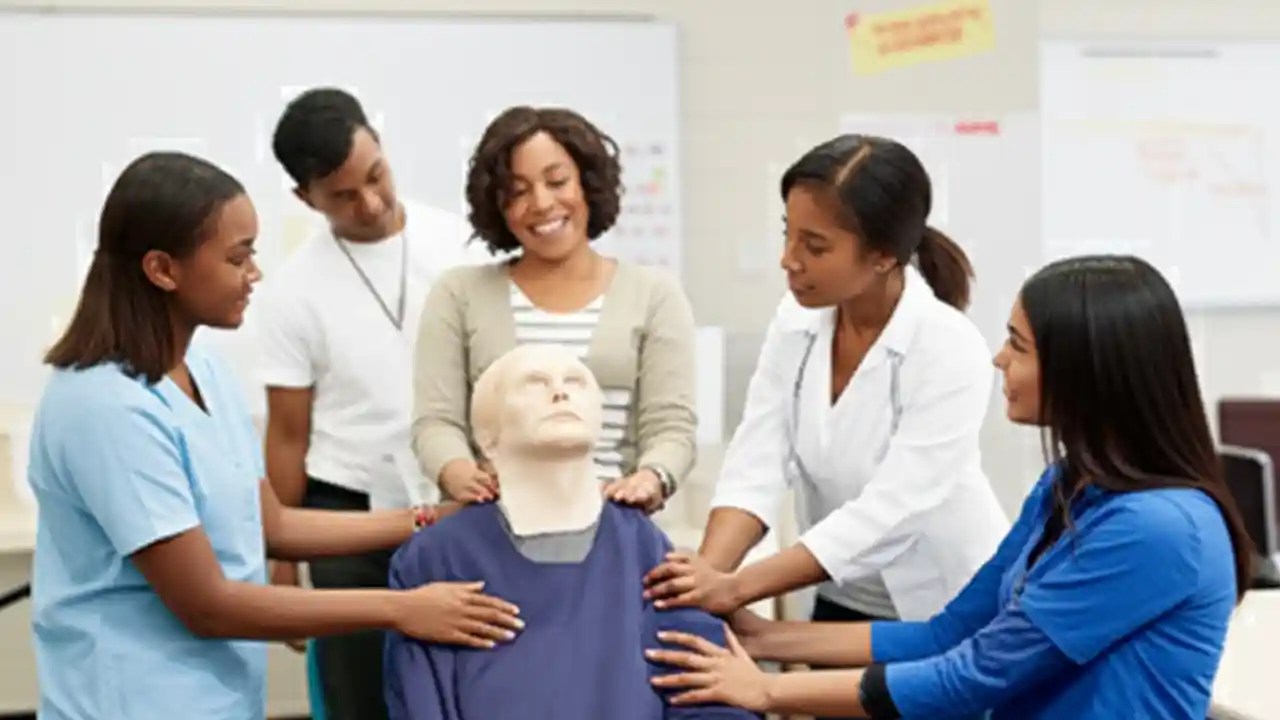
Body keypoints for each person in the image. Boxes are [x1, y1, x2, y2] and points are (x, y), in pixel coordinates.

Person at [645, 254, 1252, 719]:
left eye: (1018, 345)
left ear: (1084, 371)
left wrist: (768, 687)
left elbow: (976, 672)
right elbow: (952, 631)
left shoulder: (1158, 528)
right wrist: (765, 635)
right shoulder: (1070, 485)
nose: (997, 361)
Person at [26, 151, 521, 720]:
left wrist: (431, 517)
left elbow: (271, 525)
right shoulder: (103, 406)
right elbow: (207, 606)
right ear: (163, 270)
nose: (254, 274)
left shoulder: (202, 369)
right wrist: (401, 609)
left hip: (217, 700)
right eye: (238, 259)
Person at [644, 135, 1007, 629]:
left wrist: (736, 586)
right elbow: (758, 458)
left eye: (814, 246)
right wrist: (707, 574)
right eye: (787, 234)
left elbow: (893, 509)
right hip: (843, 592)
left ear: (882, 256)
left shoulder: (947, 346)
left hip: (945, 601)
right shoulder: (797, 320)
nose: (788, 259)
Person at [255, 87, 484, 719]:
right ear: (306, 199)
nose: (372, 202)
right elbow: (286, 435)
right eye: (344, 196)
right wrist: (281, 564)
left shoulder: (465, 247)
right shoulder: (291, 291)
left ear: (381, 146)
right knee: (359, 697)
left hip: (458, 498)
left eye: (376, 176)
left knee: (467, 686)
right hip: (346, 515)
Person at [386, 344, 756, 719]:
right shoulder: (437, 557)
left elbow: (708, 693)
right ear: (487, 437)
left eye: (576, 382)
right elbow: (419, 699)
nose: (560, 392)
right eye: (534, 383)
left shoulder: (643, 548)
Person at [412, 105, 696, 513]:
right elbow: (436, 421)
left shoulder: (655, 295)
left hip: (611, 527)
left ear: (587, 184)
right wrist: (456, 471)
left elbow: (672, 426)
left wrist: (651, 477)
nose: (542, 203)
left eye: (557, 181)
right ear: (497, 204)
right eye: (518, 191)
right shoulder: (458, 294)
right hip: (493, 525)